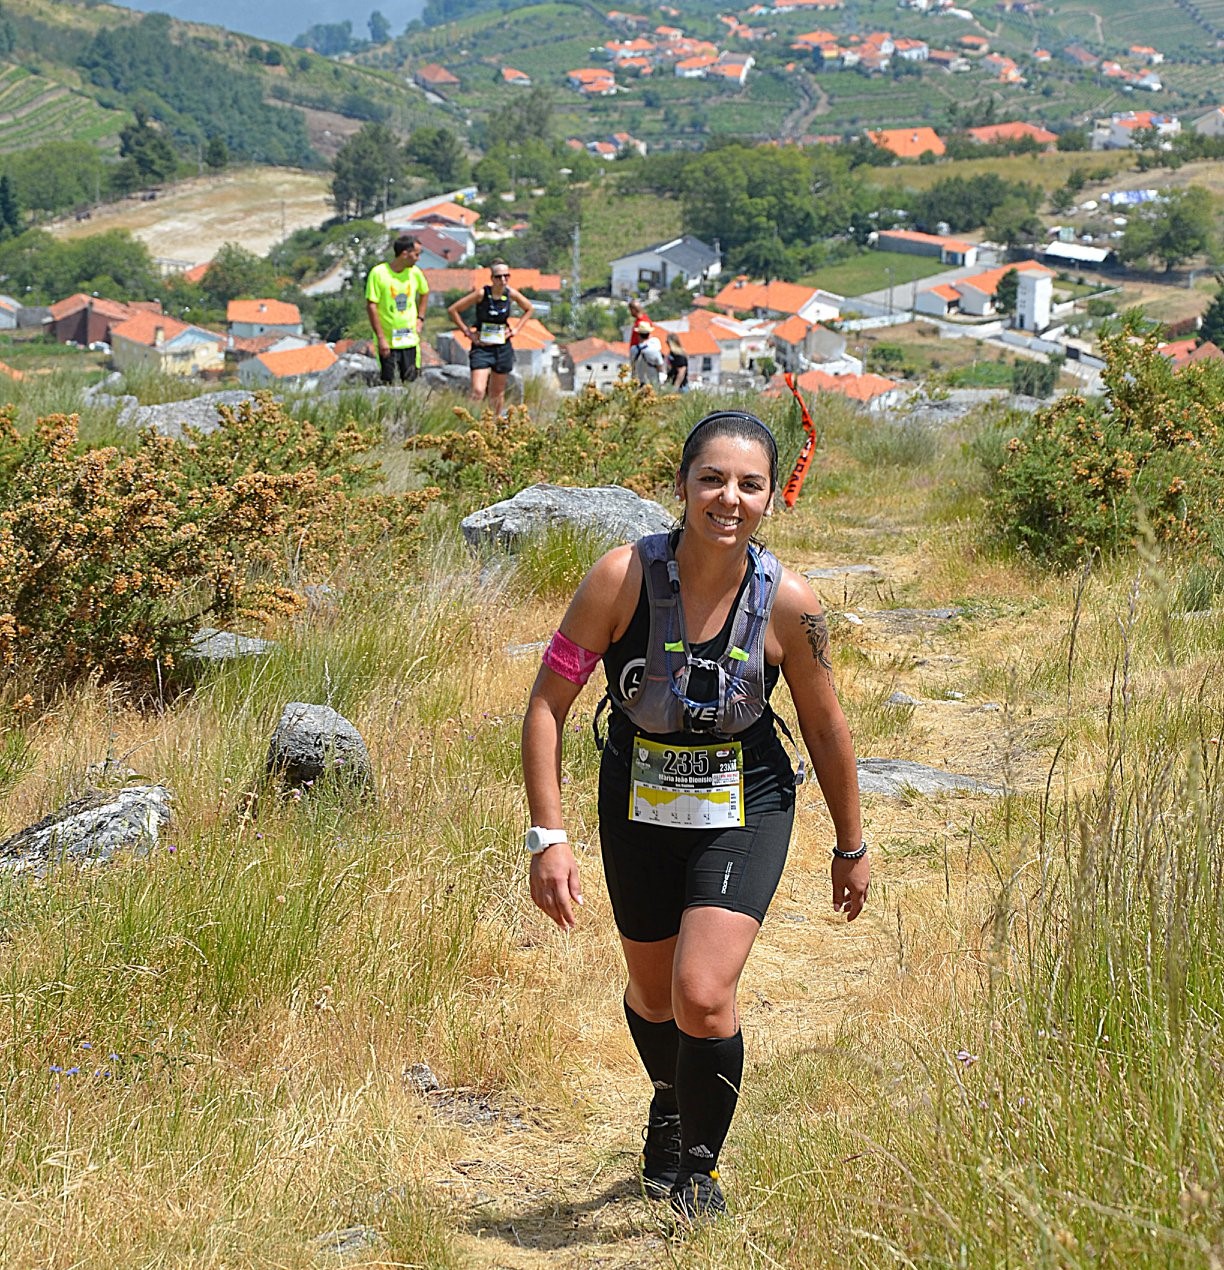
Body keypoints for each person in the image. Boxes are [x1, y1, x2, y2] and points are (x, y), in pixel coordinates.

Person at [521, 411, 868, 1222]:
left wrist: (852, 844)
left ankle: (698, 1174)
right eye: (712, 479)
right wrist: (550, 837)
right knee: (652, 997)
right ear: (680, 487)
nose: (730, 499)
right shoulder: (619, 578)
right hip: (638, 796)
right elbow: (547, 705)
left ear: (772, 500)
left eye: (750, 485)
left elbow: (825, 727)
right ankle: (671, 1103)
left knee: (702, 992)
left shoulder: (792, 606)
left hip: (746, 795)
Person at [447, 260, 535, 417]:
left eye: (506, 276)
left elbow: (529, 308)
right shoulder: (482, 294)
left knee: (497, 393)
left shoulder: (510, 294)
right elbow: (453, 310)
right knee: (478, 391)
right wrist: (468, 332)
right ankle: (469, 422)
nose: (503, 280)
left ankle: (494, 424)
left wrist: (515, 330)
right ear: (492, 278)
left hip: (502, 347)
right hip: (482, 347)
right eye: (498, 277)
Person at [365, 235, 429, 385]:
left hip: (410, 340)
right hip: (388, 341)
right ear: (405, 254)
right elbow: (371, 305)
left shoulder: (415, 272)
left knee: (411, 382)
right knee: (389, 383)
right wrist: (381, 338)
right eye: (416, 254)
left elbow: (425, 292)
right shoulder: (378, 273)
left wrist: (420, 318)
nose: (418, 259)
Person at [630, 320, 666, 387]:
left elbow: (633, 365)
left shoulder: (633, 349)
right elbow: (661, 368)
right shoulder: (654, 350)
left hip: (639, 384)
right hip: (653, 384)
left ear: (638, 335)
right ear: (649, 334)